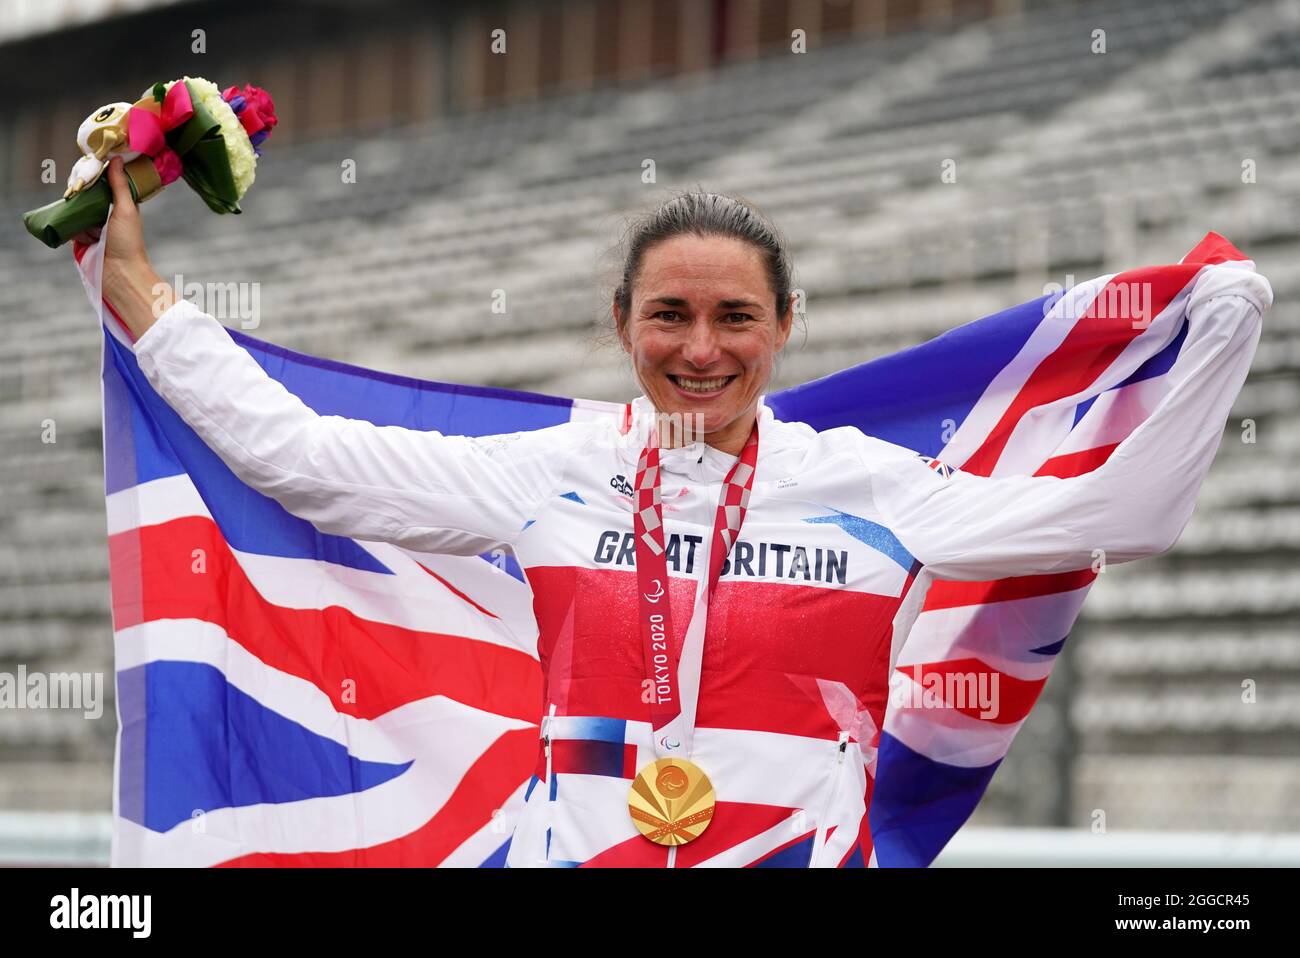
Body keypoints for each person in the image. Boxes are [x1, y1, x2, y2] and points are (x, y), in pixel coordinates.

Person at [84, 154, 1272, 867]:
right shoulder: (552, 469)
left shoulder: (866, 483)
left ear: (783, 326)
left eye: (734, 318)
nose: (700, 350)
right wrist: (134, 286)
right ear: (622, 324)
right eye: (668, 316)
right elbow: (295, 455)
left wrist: (1225, 322)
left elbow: (1129, 514)